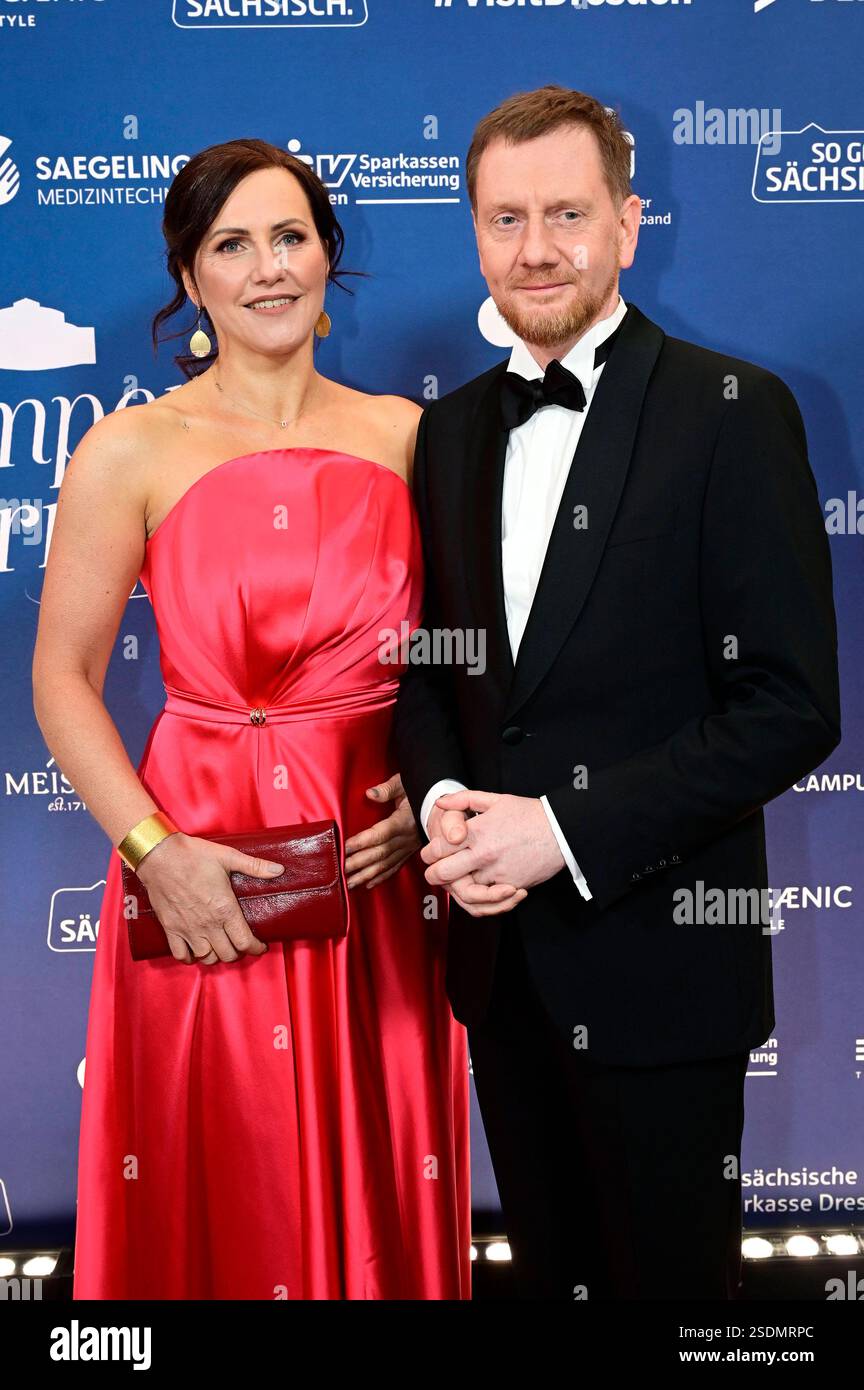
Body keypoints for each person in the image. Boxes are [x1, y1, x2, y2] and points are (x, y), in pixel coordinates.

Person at [393, 85, 841, 1300]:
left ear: (629, 224)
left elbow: (791, 706)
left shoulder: (733, 413)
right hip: (502, 969)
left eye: (567, 214)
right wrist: (441, 797)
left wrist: (562, 830)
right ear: (474, 232)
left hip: (661, 973)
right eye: (504, 219)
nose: (534, 248)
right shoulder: (446, 434)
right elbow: (434, 657)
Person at [32, 138, 471, 1300]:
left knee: (379, 1164)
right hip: (200, 865)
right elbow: (62, 677)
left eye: (291, 237)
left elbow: (467, 664)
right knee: (220, 1175)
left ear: (331, 255)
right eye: (232, 245)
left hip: (377, 876)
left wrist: (429, 803)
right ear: (190, 277)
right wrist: (155, 855)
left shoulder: (410, 437)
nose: (269, 269)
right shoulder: (128, 448)